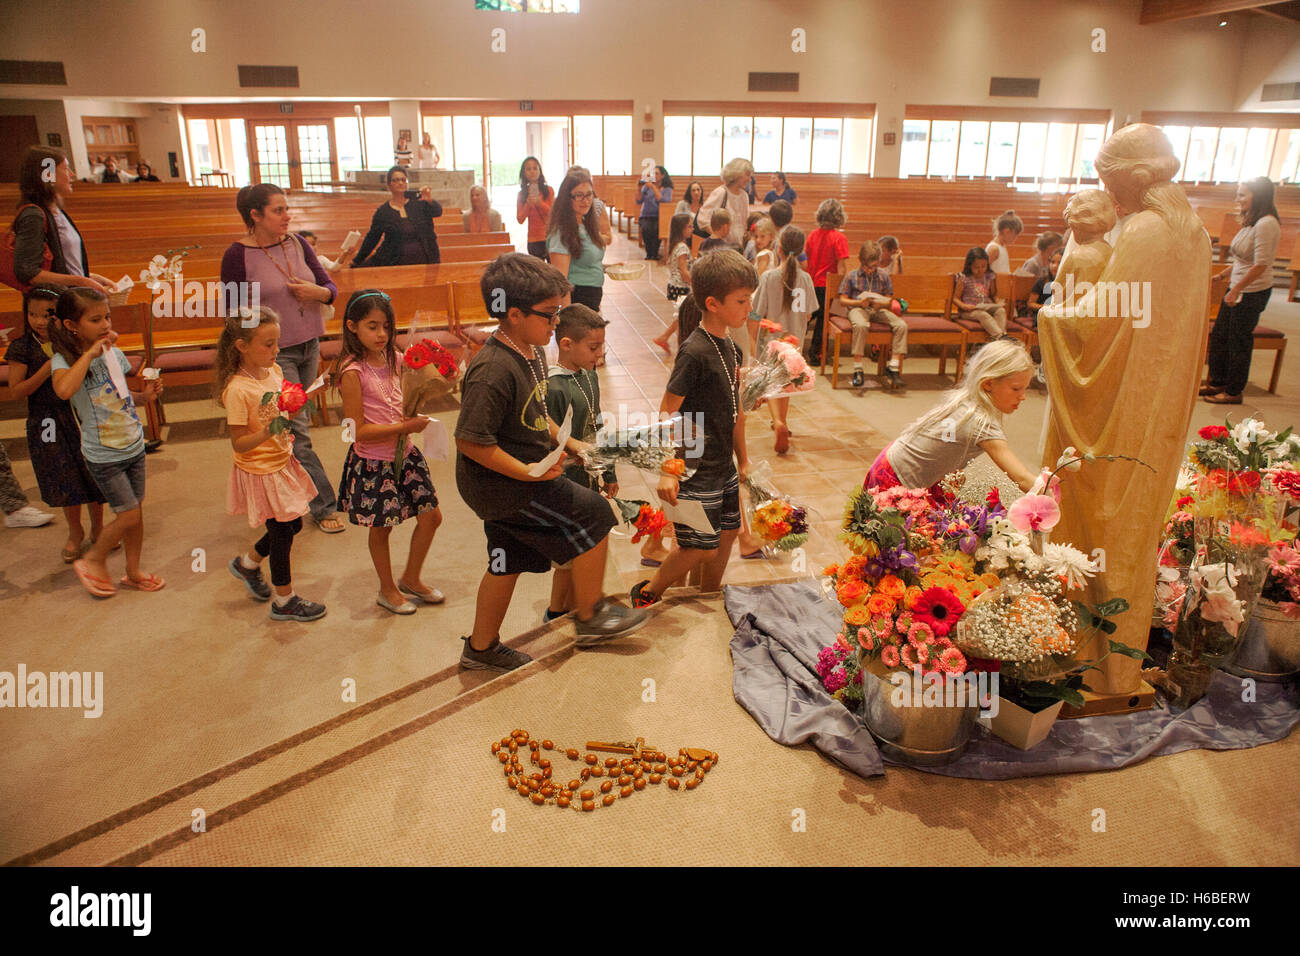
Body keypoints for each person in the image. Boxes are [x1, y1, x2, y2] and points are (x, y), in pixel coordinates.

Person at [455, 254, 647, 672]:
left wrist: (572, 444)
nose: (556, 323)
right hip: (501, 482)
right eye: (549, 314)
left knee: (507, 556)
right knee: (594, 513)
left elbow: (534, 417)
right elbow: (471, 441)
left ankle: (481, 647)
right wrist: (527, 471)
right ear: (515, 313)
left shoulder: (530, 350)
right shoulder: (493, 368)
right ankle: (590, 615)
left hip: (514, 474)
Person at [631, 250, 757, 608]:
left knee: (729, 531)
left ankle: (708, 594)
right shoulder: (694, 351)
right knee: (698, 546)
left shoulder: (731, 349)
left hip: (722, 465)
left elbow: (734, 411)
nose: (749, 308)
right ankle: (647, 593)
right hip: (693, 466)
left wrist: (743, 459)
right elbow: (667, 411)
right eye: (742, 301)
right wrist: (670, 469)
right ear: (713, 303)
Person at [221, 183, 343, 533]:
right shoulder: (237, 255)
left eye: (287, 208)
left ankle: (286, 497)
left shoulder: (297, 243)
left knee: (293, 426)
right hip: (274, 353)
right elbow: (232, 314)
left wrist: (316, 293)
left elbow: (330, 288)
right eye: (278, 210)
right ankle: (323, 505)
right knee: (295, 426)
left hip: (310, 343)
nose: (287, 216)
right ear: (255, 215)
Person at [335, 290, 445, 614]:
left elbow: (408, 390)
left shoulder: (394, 357)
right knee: (382, 527)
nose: (381, 334)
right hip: (373, 461)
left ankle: (411, 577)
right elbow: (354, 430)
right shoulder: (352, 371)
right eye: (372, 326)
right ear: (352, 326)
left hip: (405, 453)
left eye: (386, 326)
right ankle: (387, 588)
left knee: (432, 517)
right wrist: (403, 427)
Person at [50, 288, 164, 597]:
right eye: (95, 319)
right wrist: (88, 355)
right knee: (127, 514)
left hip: (133, 445)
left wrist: (146, 396)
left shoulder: (114, 353)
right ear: (72, 325)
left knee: (135, 513)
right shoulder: (64, 360)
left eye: (107, 317)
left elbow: (122, 396)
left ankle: (133, 571)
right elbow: (63, 391)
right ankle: (94, 559)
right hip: (104, 453)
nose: (104, 325)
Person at [216, 308, 328, 622]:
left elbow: (278, 407)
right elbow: (239, 442)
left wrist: (295, 406)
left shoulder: (274, 371)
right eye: (267, 344)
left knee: (291, 524)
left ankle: (247, 564)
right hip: (260, 469)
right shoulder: (238, 390)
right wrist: (269, 430)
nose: (276, 350)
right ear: (241, 346)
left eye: (277, 342)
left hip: (281, 459)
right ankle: (285, 600)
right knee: (282, 532)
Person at [864, 340, 1038, 504]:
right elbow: (1020, 477)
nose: (1022, 397)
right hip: (897, 479)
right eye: (1016, 389)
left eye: (1025, 389)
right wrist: (1047, 492)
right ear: (988, 384)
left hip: (890, 461)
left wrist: (952, 467)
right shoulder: (980, 421)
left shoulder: (965, 402)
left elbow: (948, 437)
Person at [4, 284, 106, 560]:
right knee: (63, 475)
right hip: (47, 420)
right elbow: (16, 391)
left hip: (83, 413)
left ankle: (99, 527)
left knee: (93, 470)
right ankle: (75, 532)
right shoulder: (21, 348)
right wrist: (47, 368)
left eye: (47, 314)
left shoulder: (75, 342)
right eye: (32, 314)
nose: (39, 321)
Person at [543, 304, 618, 621]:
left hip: (589, 474)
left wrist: (608, 469)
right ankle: (556, 611)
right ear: (566, 344)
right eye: (593, 347)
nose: (599, 354)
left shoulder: (589, 376)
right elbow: (551, 443)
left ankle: (577, 604)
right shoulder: (555, 387)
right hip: (567, 480)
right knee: (568, 552)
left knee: (584, 546)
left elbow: (598, 422)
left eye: (601, 346)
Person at [1204, 176, 1281, 405]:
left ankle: (1233, 391)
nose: (1237, 199)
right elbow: (1241, 258)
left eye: (1242, 194)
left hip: (1251, 292)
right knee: (1220, 336)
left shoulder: (1267, 223)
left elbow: (1261, 264)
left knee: (1238, 341)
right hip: (1237, 287)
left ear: (1257, 196)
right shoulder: (1252, 221)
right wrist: (1222, 276)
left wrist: (1236, 288)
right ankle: (1217, 382)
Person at [750, 227, 816, 454]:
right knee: (786, 383)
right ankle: (781, 422)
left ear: (778, 248)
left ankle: (778, 421)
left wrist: (761, 325)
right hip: (794, 340)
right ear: (801, 252)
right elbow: (809, 313)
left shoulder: (768, 278)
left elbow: (756, 313)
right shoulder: (806, 278)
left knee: (772, 383)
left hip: (772, 340)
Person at [12, 147, 112, 294]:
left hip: (72, 296)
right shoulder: (33, 215)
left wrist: (91, 277)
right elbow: (28, 272)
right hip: (54, 303)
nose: (72, 174)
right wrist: (81, 281)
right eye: (65, 169)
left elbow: (61, 266)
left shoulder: (57, 211)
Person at [840, 240, 906, 390]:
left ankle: (893, 367)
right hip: (858, 308)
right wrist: (858, 303)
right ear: (861, 262)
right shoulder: (852, 276)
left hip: (877, 309)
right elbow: (843, 300)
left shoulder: (883, 275)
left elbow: (890, 299)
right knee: (861, 325)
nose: (870, 270)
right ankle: (858, 369)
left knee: (901, 325)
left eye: (874, 266)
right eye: (867, 266)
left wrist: (881, 303)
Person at [353, 167, 443, 267]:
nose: (400, 183)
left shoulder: (420, 203)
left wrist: (429, 200)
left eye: (403, 180)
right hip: (395, 260)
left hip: (425, 258)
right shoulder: (383, 212)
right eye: (395, 180)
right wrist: (357, 260)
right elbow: (372, 238)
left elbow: (438, 212)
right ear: (389, 185)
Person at [547, 166, 609, 313]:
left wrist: (607, 267)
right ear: (567, 198)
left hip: (592, 298)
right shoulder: (561, 232)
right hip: (576, 299)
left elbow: (583, 262)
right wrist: (568, 318)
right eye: (579, 195)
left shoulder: (587, 225)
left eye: (589, 195)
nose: (586, 201)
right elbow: (561, 281)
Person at [804, 198, 851, 364]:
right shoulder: (838, 238)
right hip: (827, 284)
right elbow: (842, 267)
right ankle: (816, 353)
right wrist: (841, 289)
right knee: (822, 321)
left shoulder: (812, 235)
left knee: (807, 317)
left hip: (810, 282)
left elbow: (807, 259)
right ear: (839, 217)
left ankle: (793, 344)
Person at [651, 213, 695, 354]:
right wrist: (693, 283)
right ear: (682, 228)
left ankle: (665, 337)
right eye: (689, 226)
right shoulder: (682, 247)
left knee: (682, 316)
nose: (692, 229)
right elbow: (683, 271)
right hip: (681, 286)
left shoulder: (674, 244)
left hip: (674, 285)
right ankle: (665, 337)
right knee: (683, 316)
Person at [954, 246, 1007, 338]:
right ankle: (1000, 337)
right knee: (983, 315)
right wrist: (963, 306)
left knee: (1001, 311)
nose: (980, 270)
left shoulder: (990, 276)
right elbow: (955, 298)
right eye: (976, 267)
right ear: (969, 265)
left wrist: (999, 302)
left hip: (986, 305)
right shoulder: (963, 278)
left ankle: (1001, 337)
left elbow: (993, 295)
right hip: (969, 310)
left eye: (983, 266)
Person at [699, 158, 752, 249]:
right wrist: (718, 238)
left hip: (738, 248)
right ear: (737, 174)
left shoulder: (744, 196)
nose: (749, 179)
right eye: (747, 175)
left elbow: (744, 224)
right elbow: (702, 219)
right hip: (721, 248)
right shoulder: (721, 192)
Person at [516, 156, 554, 260]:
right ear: (524, 173)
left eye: (535, 168)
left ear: (539, 171)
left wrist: (540, 203)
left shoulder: (549, 191)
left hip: (550, 237)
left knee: (553, 272)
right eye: (528, 169)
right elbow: (520, 219)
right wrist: (528, 204)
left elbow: (553, 214)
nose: (532, 171)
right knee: (538, 273)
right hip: (533, 240)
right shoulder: (522, 194)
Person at [637, 165, 673, 261]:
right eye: (653, 173)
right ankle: (649, 253)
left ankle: (654, 253)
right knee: (645, 228)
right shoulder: (647, 187)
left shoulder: (667, 189)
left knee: (656, 229)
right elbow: (639, 201)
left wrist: (653, 187)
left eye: (656, 173)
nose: (654, 175)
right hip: (646, 215)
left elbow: (664, 201)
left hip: (660, 216)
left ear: (663, 175)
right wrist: (639, 189)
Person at [985, 210, 1023, 275]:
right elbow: (983, 272)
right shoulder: (994, 249)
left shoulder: (1002, 246)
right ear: (1007, 231)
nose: (1015, 239)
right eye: (1014, 236)